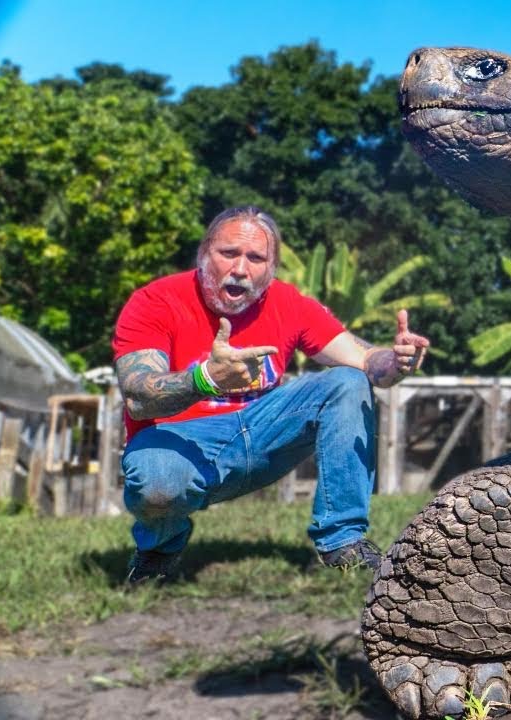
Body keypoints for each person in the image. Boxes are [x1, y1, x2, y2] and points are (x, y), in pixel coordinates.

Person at [112, 206, 429, 584]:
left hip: (262, 435)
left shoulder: (288, 303)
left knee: (347, 381)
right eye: (228, 253)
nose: (241, 269)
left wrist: (396, 361)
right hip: (179, 444)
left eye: (256, 258)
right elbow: (138, 394)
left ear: (271, 268)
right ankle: (159, 550)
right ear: (203, 254)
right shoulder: (156, 301)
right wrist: (205, 380)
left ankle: (343, 542)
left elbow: (365, 362)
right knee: (158, 484)